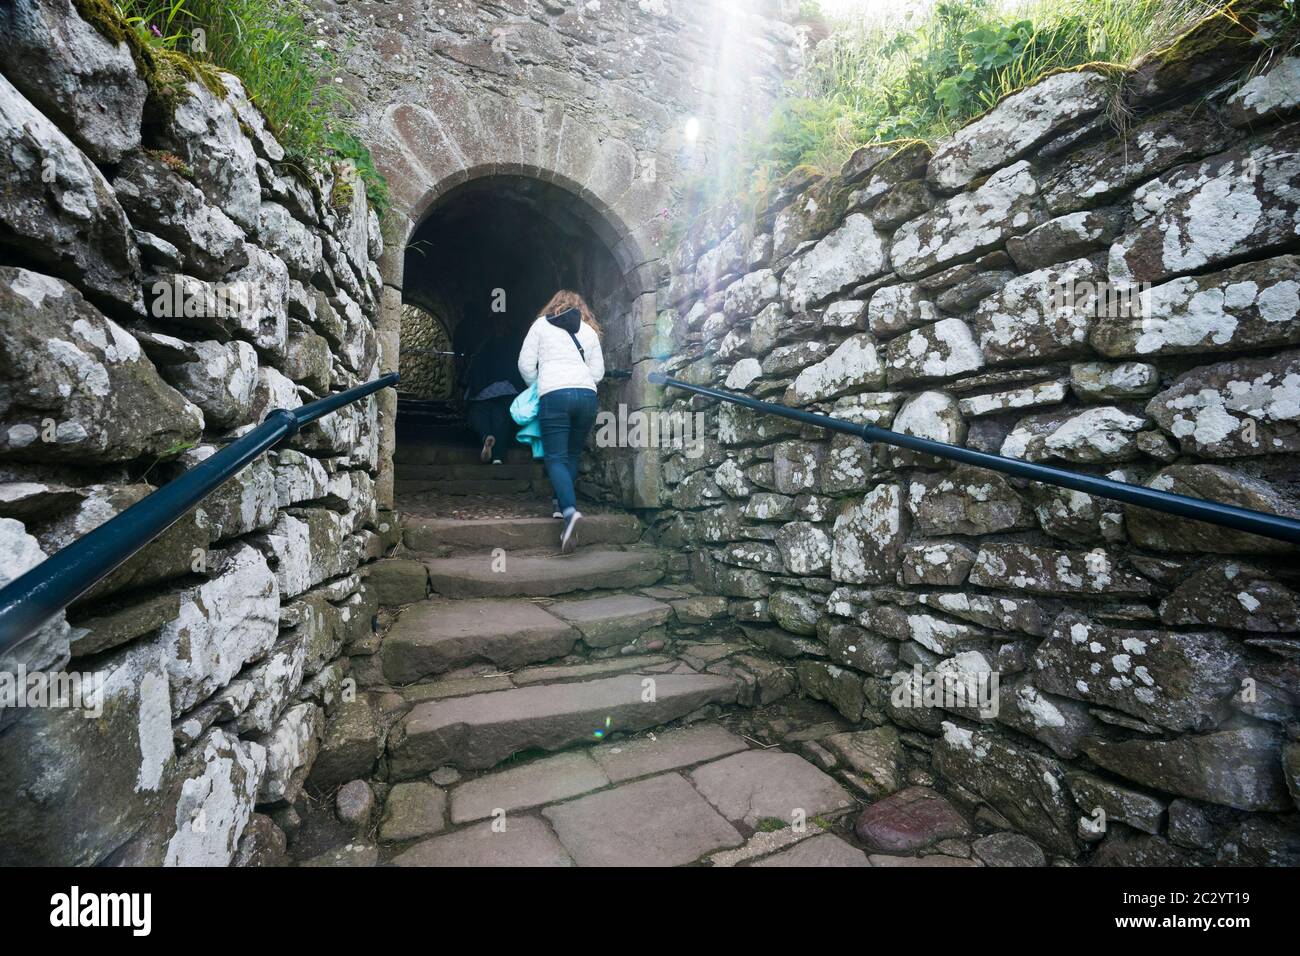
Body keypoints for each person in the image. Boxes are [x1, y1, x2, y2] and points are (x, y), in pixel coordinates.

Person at [517, 290, 605, 552]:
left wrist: (537, 385)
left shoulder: (540, 326)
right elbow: (597, 372)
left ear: (553, 305)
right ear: (581, 308)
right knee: (572, 454)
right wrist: (581, 382)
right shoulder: (589, 331)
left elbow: (525, 365)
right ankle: (559, 504)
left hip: (554, 395)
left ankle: (569, 512)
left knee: (554, 457)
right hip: (586, 397)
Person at [463, 320, 524, 464]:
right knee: (501, 419)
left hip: (483, 392)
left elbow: (474, 368)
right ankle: (497, 457)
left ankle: (486, 437)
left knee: (479, 415)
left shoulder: (483, 346)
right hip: (507, 390)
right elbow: (519, 368)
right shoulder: (514, 346)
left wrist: (470, 393)